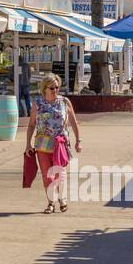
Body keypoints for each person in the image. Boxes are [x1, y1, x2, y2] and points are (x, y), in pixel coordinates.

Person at [25, 74, 83, 213]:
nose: (55, 90)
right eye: (52, 88)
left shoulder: (64, 102)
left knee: (60, 174)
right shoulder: (37, 103)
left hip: (60, 145)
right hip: (42, 145)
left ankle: (62, 199)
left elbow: (74, 122)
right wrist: (28, 144)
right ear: (44, 88)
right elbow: (32, 124)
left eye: (57, 87)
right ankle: (51, 202)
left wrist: (78, 140)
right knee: (47, 175)